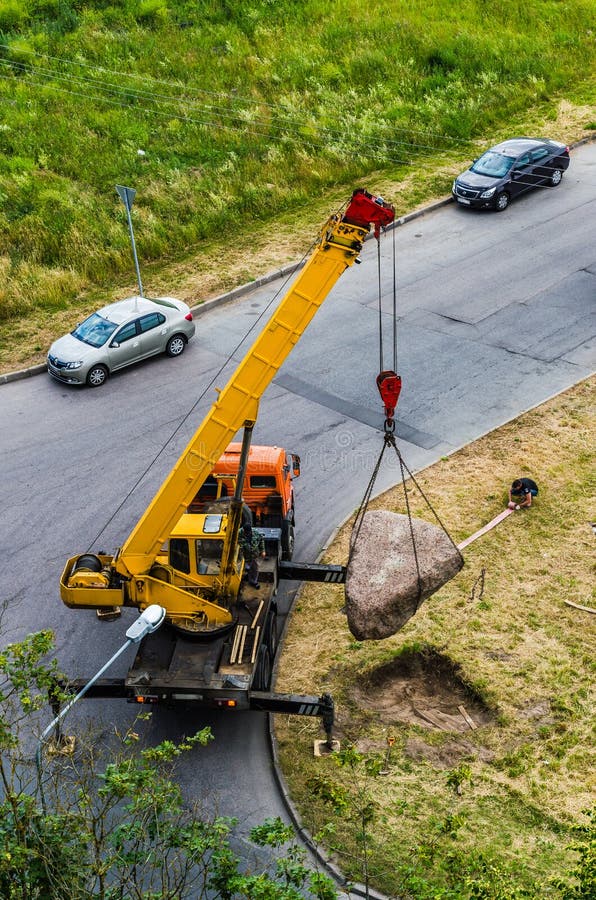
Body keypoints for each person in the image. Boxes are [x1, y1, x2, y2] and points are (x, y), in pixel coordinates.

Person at [239, 523, 266, 589]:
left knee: (255, 568)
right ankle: (247, 576)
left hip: (254, 554)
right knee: (246, 568)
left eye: (249, 532)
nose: (247, 534)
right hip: (245, 555)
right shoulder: (239, 533)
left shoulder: (255, 533)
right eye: (246, 532)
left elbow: (261, 540)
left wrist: (263, 550)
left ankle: (253, 581)